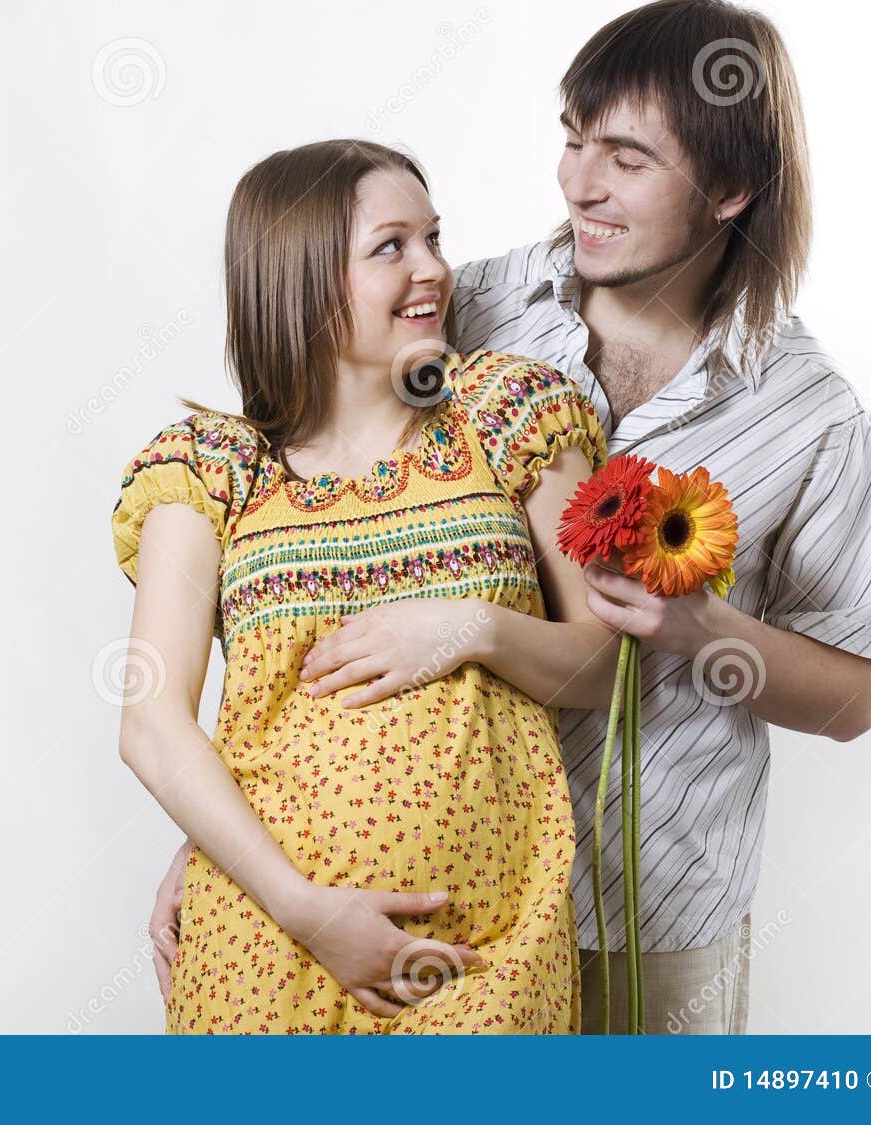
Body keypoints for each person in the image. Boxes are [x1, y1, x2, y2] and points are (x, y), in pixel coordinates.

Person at [149, 0, 871, 1034]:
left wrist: (698, 628)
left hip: (654, 903)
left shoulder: (811, 416)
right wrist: (234, 841)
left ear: (729, 187)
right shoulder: (462, 310)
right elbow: (309, 543)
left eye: (627, 159)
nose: (577, 182)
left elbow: (853, 696)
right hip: (428, 904)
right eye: (572, 138)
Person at [112, 138, 621, 1032]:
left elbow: (605, 668)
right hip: (265, 936)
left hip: (485, 946)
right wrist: (308, 910)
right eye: (392, 247)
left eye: (433, 238)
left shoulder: (507, 417)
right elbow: (152, 725)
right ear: (301, 279)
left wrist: (474, 626)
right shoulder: (210, 472)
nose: (433, 269)